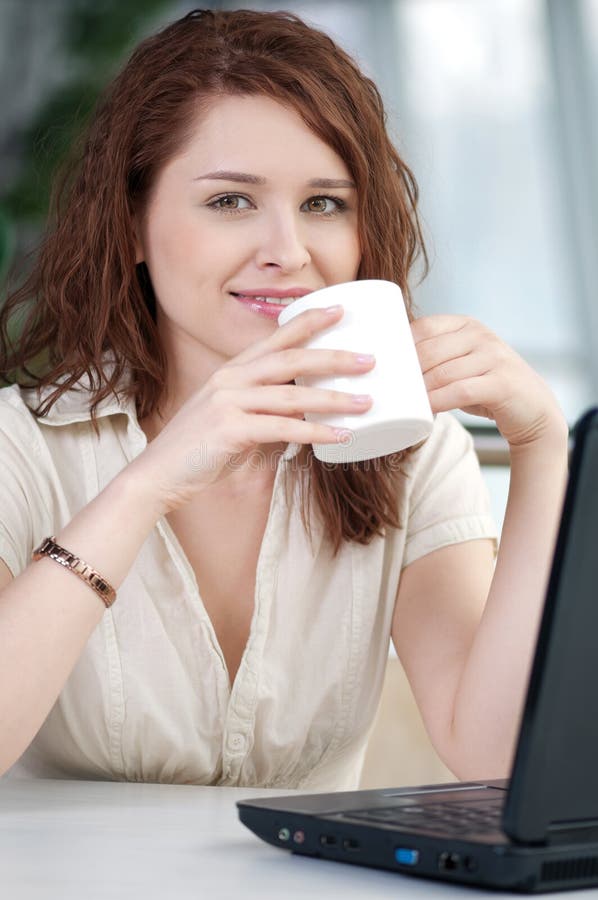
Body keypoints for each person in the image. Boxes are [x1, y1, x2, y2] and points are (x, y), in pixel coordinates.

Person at [0, 8, 568, 789]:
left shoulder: (411, 452)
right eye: (231, 201)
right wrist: (146, 484)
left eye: (323, 204)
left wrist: (542, 449)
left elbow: (495, 750)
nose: (288, 251)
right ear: (131, 225)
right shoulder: (21, 446)